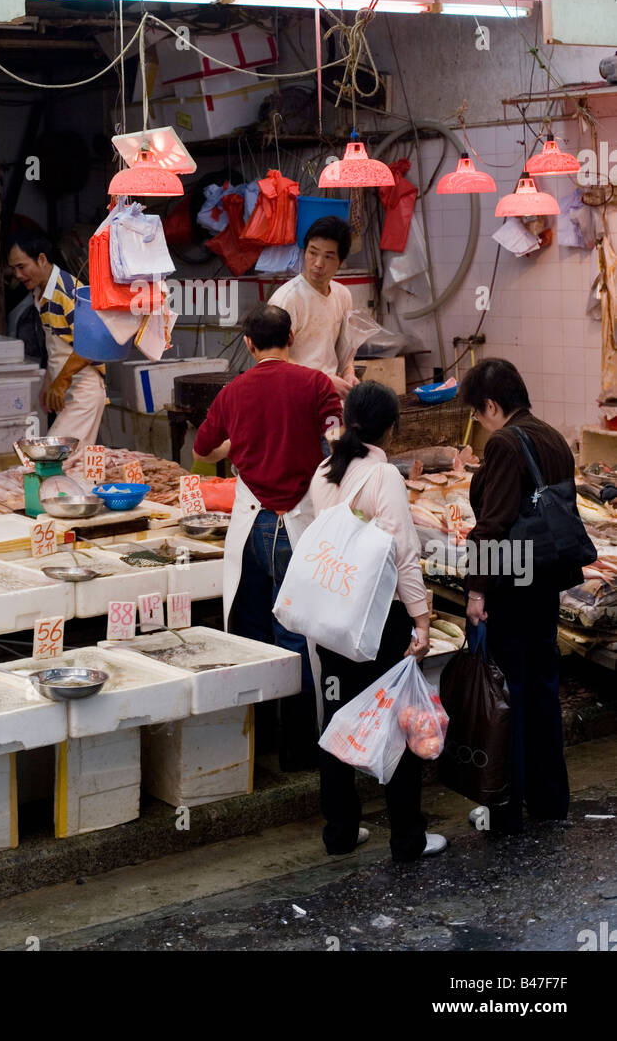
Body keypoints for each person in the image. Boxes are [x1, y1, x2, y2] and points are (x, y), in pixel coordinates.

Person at [193, 303, 342, 770]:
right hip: (299, 523)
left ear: (249, 343)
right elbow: (338, 442)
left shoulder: (233, 391)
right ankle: (300, 752)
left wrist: (239, 442)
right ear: (292, 336)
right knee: (296, 635)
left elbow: (203, 449)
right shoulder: (317, 383)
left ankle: (256, 748)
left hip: (250, 528)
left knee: (251, 632)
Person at [309, 381, 446, 861]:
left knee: (338, 719)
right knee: (400, 719)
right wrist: (422, 622)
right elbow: (404, 556)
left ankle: (340, 833)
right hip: (376, 619)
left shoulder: (324, 471)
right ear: (391, 428)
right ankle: (407, 837)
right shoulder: (384, 475)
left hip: (329, 619)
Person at [458, 358, 573, 836]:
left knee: (505, 695)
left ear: (491, 405)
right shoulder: (551, 435)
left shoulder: (505, 443)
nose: (481, 424)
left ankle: (505, 808)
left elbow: (494, 523)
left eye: (479, 414)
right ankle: (549, 800)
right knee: (543, 689)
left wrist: (477, 590)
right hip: (545, 582)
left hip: (511, 585)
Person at [6, 231, 106, 459]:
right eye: (14, 269)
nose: (18, 275)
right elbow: (56, 345)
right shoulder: (41, 293)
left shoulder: (67, 291)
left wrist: (61, 382)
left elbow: (92, 343)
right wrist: (49, 383)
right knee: (77, 464)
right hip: (67, 385)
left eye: (22, 266)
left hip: (84, 389)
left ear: (41, 259)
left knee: (53, 458)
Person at [269, 214, 357, 401]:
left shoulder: (343, 296)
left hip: (329, 397)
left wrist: (349, 372)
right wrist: (322, 381)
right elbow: (273, 358)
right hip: (293, 398)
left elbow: (344, 350)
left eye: (328, 256)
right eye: (313, 252)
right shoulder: (286, 299)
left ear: (340, 262)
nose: (318, 263)